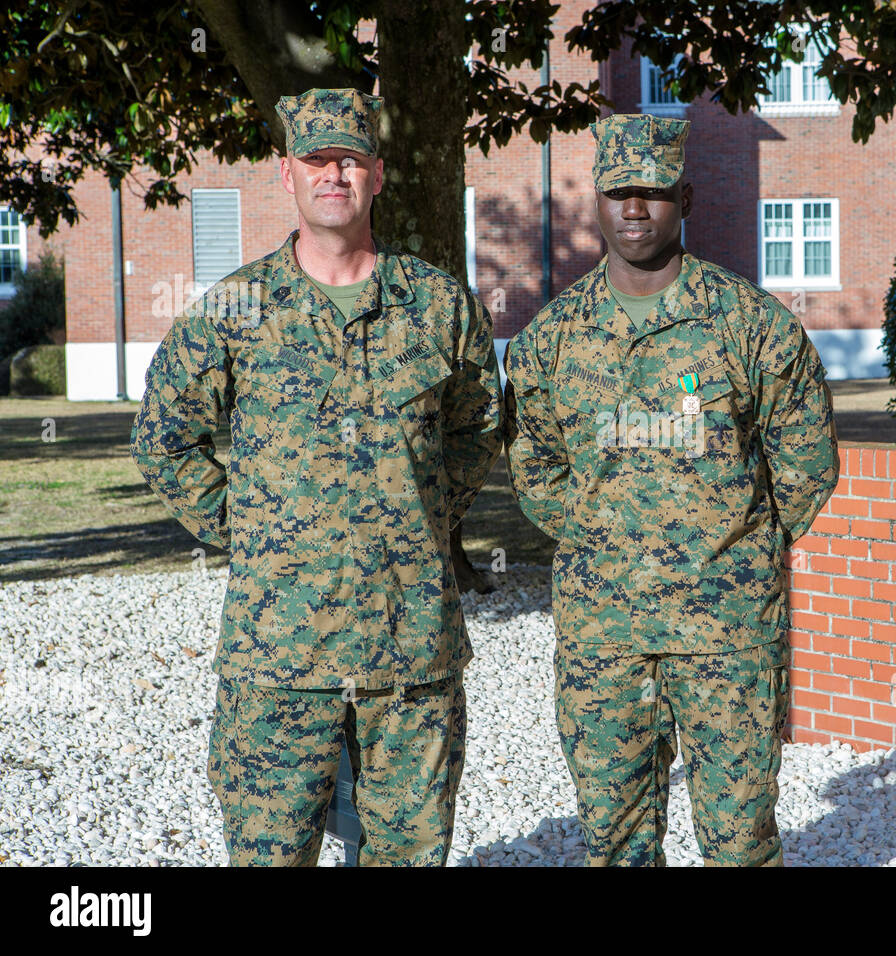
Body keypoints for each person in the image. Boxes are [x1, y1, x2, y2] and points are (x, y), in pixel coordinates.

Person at [131, 88, 502, 866]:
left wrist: (423, 519)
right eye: (316, 159)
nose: (333, 174)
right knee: (271, 854)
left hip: (410, 651)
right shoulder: (234, 307)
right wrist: (253, 529)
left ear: (376, 176)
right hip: (278, 653)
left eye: (350, 160)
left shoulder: (437, 306)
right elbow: (165, 437)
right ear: (286, 174)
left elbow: (477, 427)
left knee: (408, 855)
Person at [504, 112, 839, 866]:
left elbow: (805, 463)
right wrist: (604, 537)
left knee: (739, 838)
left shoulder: (750, 325)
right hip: (605, 634)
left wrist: (735, 550)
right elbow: (536, 468)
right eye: (618, 191)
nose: (633, 208)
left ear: (683, 199)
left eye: (651, 192)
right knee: (615, 836)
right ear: (595, 200)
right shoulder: (551, 339)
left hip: (725, 631)